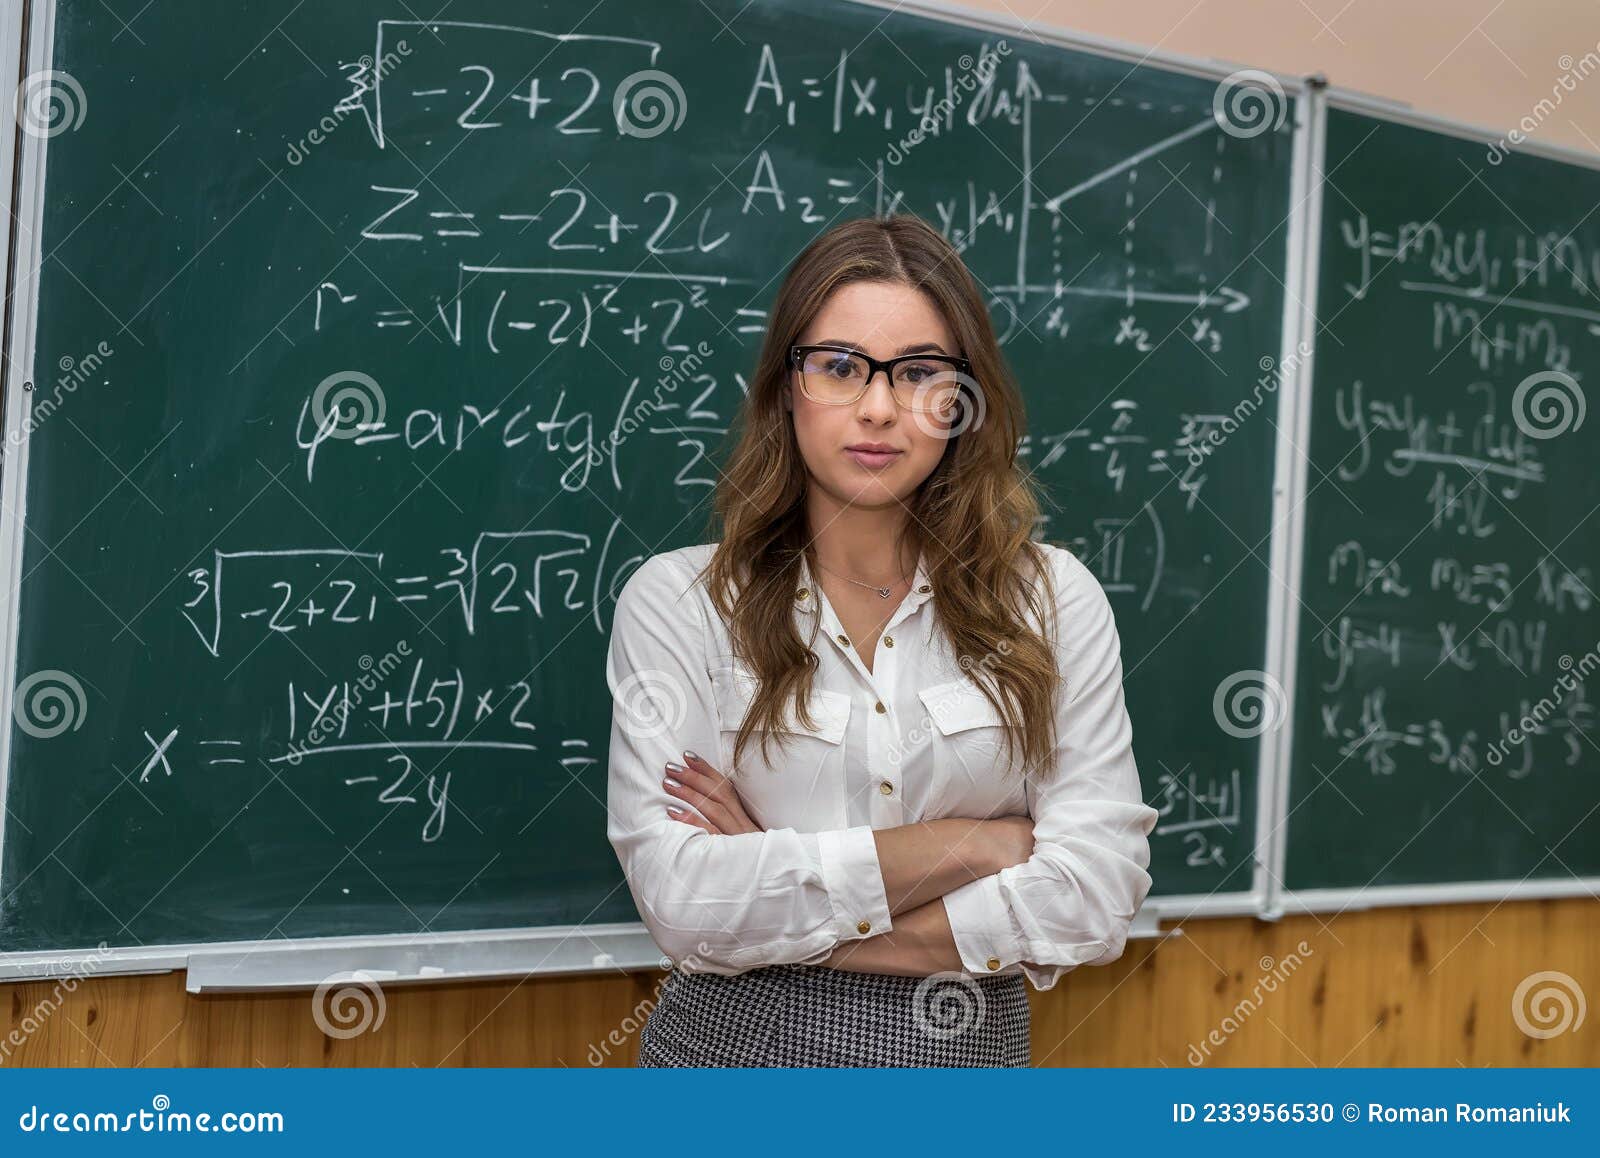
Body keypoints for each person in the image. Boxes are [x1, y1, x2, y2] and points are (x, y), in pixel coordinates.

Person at [605, 213, 1158, 1067]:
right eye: (838, 367)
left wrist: (779, 902)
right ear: (786, 387)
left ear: (963, 401)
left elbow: (1093, 896)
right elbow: (681, 903)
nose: (877, 408)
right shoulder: (681, 602)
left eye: (919, 374)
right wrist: (978, 843)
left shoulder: (1052, 600)